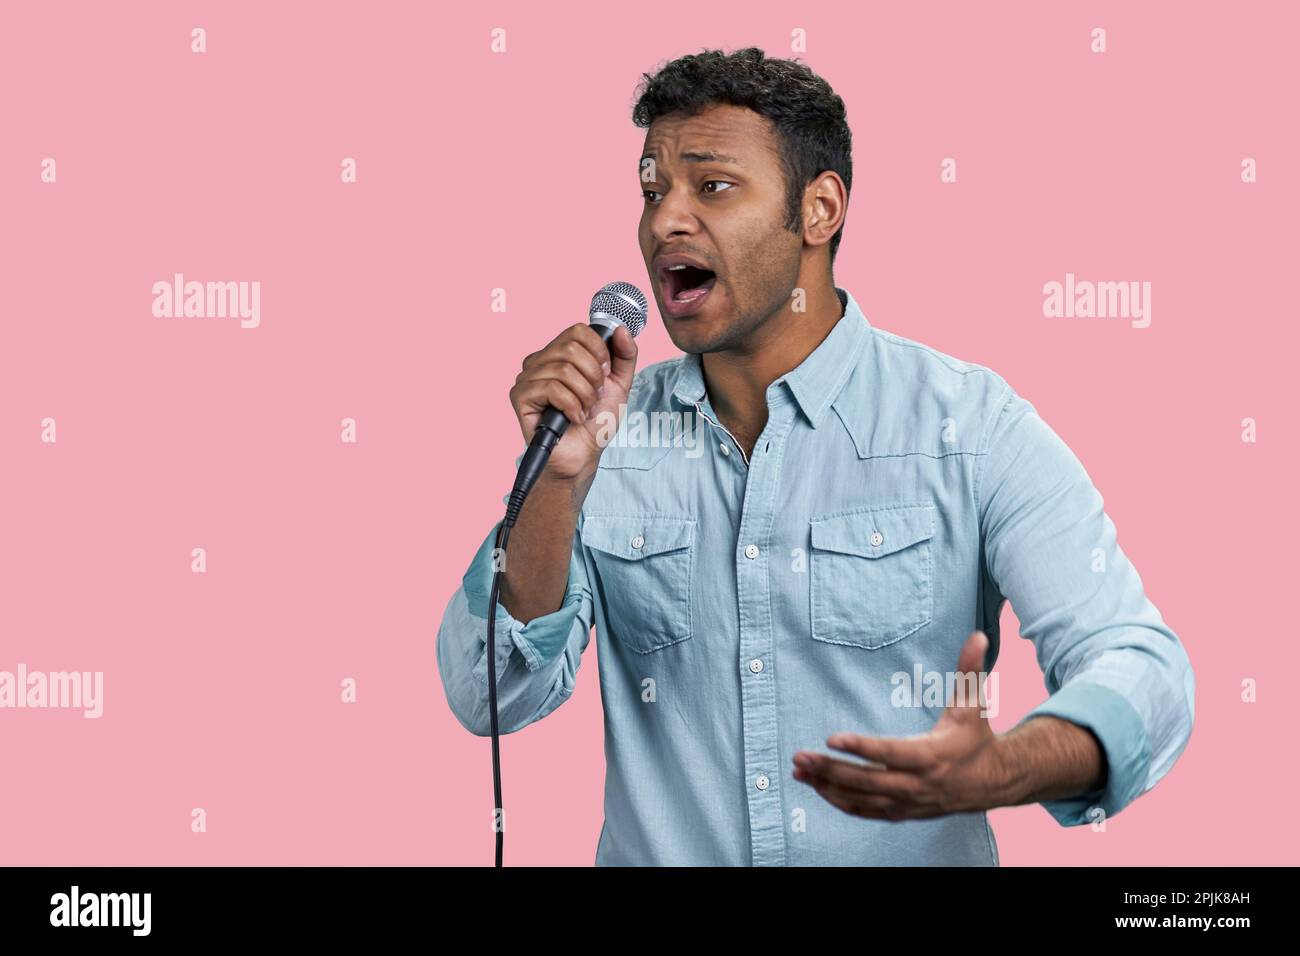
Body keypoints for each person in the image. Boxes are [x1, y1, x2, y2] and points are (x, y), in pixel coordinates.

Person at [435, 47, 1194, 866]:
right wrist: (556, 481)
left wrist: (1006, 768)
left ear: (818, 209)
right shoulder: (605, 436)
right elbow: (491, 697)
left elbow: (1143, 671)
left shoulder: (971, 428)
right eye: (652, 189)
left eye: (711, 186)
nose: (664, 221)